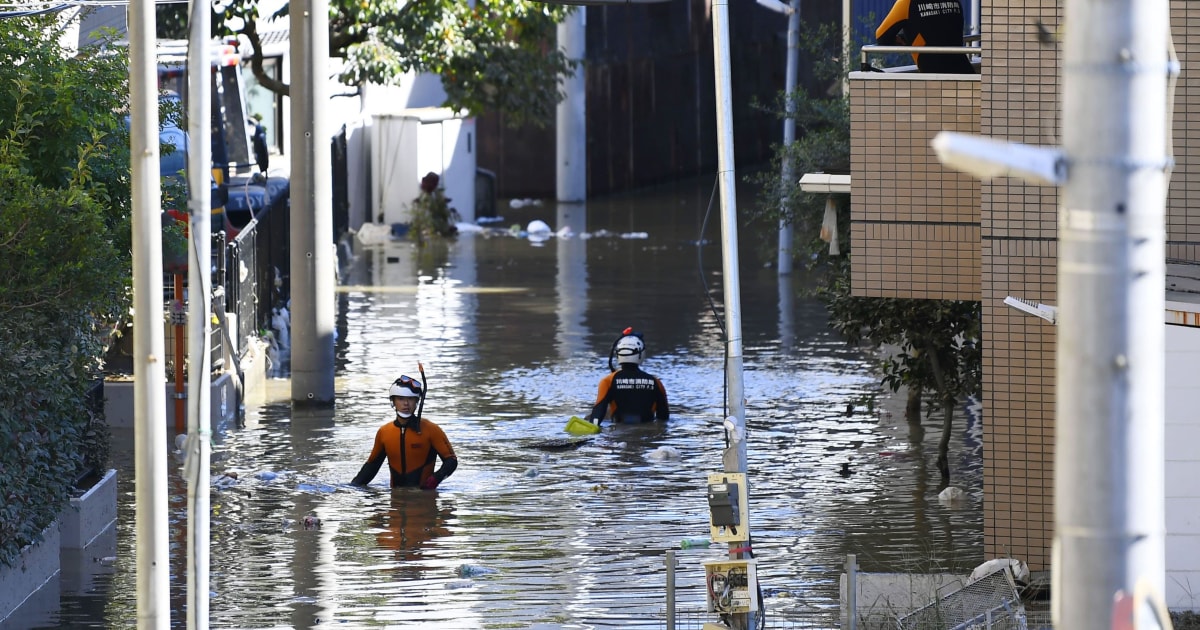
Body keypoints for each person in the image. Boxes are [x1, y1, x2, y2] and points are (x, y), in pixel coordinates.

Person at [351, 374, 458, 489]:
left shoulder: (431, 430)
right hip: (396, 499)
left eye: (411, 399)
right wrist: (351, 488)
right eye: (401, 399)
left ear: (417, 402)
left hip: (424, 497)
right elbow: (372, 466)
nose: (406, 404)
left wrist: (435, 479)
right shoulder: (384, 432)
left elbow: (451, 461)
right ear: (393, 401)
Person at [588, 328, 670, 425]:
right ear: (641, 354)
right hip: (647, 434)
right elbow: (663, 417)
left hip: (618, 433)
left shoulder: (608, 381)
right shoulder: (656, 382)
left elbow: (597, 414)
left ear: (618, 354)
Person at [875, 0, 975, 74]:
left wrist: (904, 39)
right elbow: (940, 31)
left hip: (935, 77)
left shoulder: (907, 3)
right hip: (966, 73)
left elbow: (882, 37)